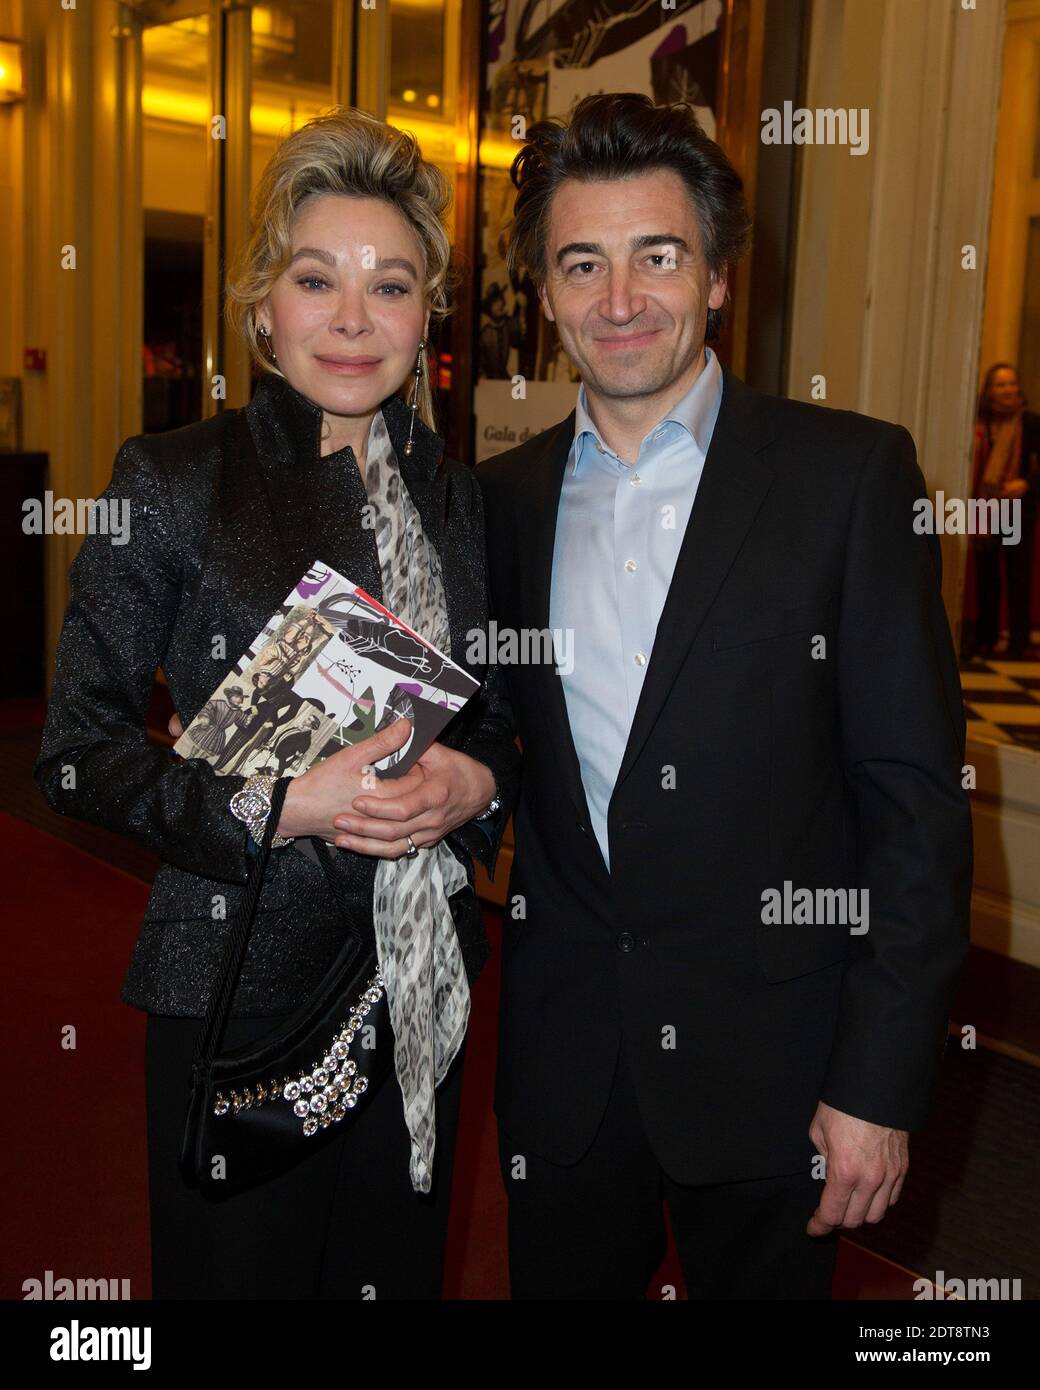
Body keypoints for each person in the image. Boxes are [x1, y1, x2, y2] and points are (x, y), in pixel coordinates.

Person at [471, 92, 972, 1299]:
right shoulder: (493, 502)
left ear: (715, 278)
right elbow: (486, 736)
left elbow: (912, 804)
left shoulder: (848, 476)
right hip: (566, 1067)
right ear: (542, 293)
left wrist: (875, 1083)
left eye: (657, 255)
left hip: (779, 1074)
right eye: (580, 263)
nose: (619, 299)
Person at [34, 106, 519, 1300]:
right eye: (317, 279)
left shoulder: (454, 499)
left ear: (426, 317)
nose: (353, 318)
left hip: (418, 984)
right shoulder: (175, 481)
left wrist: (478, 778)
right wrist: (278, 805)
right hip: (238, 988)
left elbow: (499, 708)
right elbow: (74, 752)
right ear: (262, 307)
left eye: (390, 285)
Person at [967, 362, 1040, 660]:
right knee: (986, 574)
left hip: (1018, 508)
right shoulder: (979, 422)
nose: (1007, 389)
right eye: (1000, 384)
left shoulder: (1031, 422)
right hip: (985, 507)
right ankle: (986, 637)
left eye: (1011, 383)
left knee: (1018, 574)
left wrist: (1026, 484)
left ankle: (1019, 642)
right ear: (989, 390)